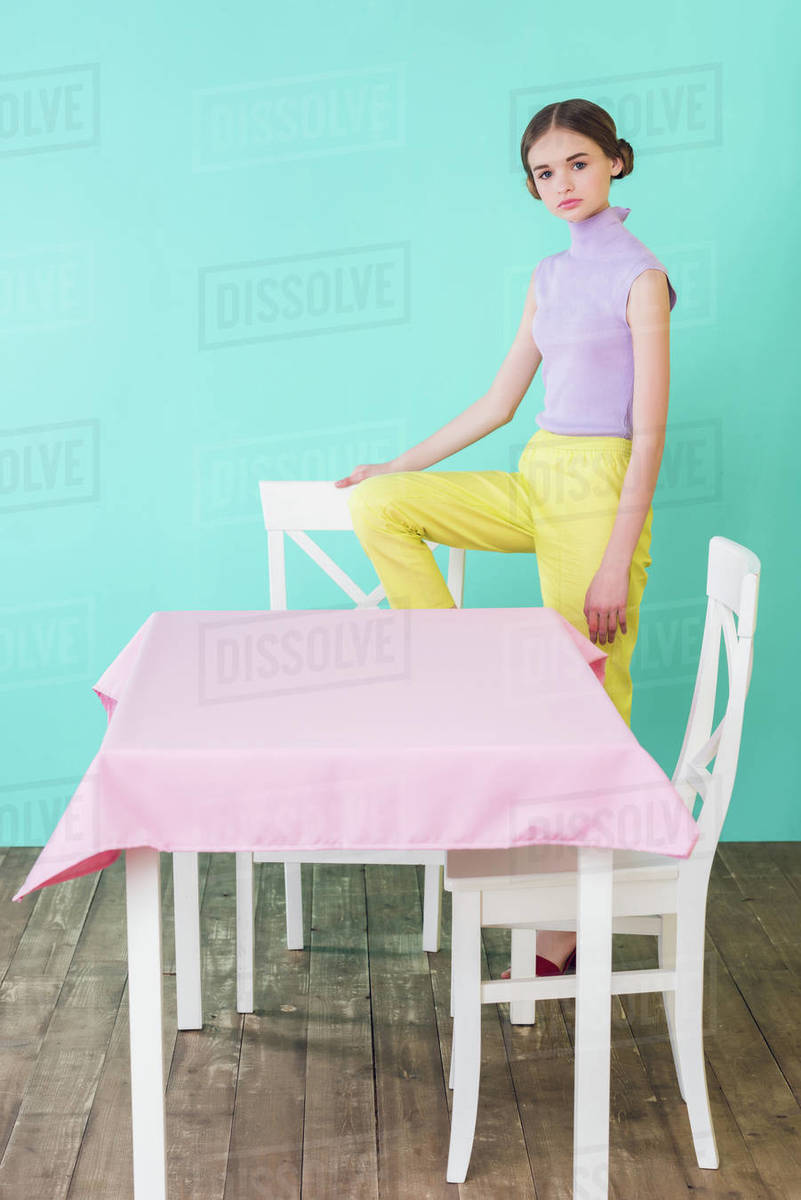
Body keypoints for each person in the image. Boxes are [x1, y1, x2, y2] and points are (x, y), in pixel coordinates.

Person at [334, 98, 676, 977]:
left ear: (615, 162)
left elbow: (648, 436)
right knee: (383, 507)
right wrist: (394, 467)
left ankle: (567, 923)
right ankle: (450, 669)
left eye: (577, 163)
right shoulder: (547, 277)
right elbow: (497, 402)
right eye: (543, 172)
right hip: (537, 473)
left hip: (601, 491)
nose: (561, 183)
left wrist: (613, 561)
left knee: (588, 704)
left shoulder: (641, 278)